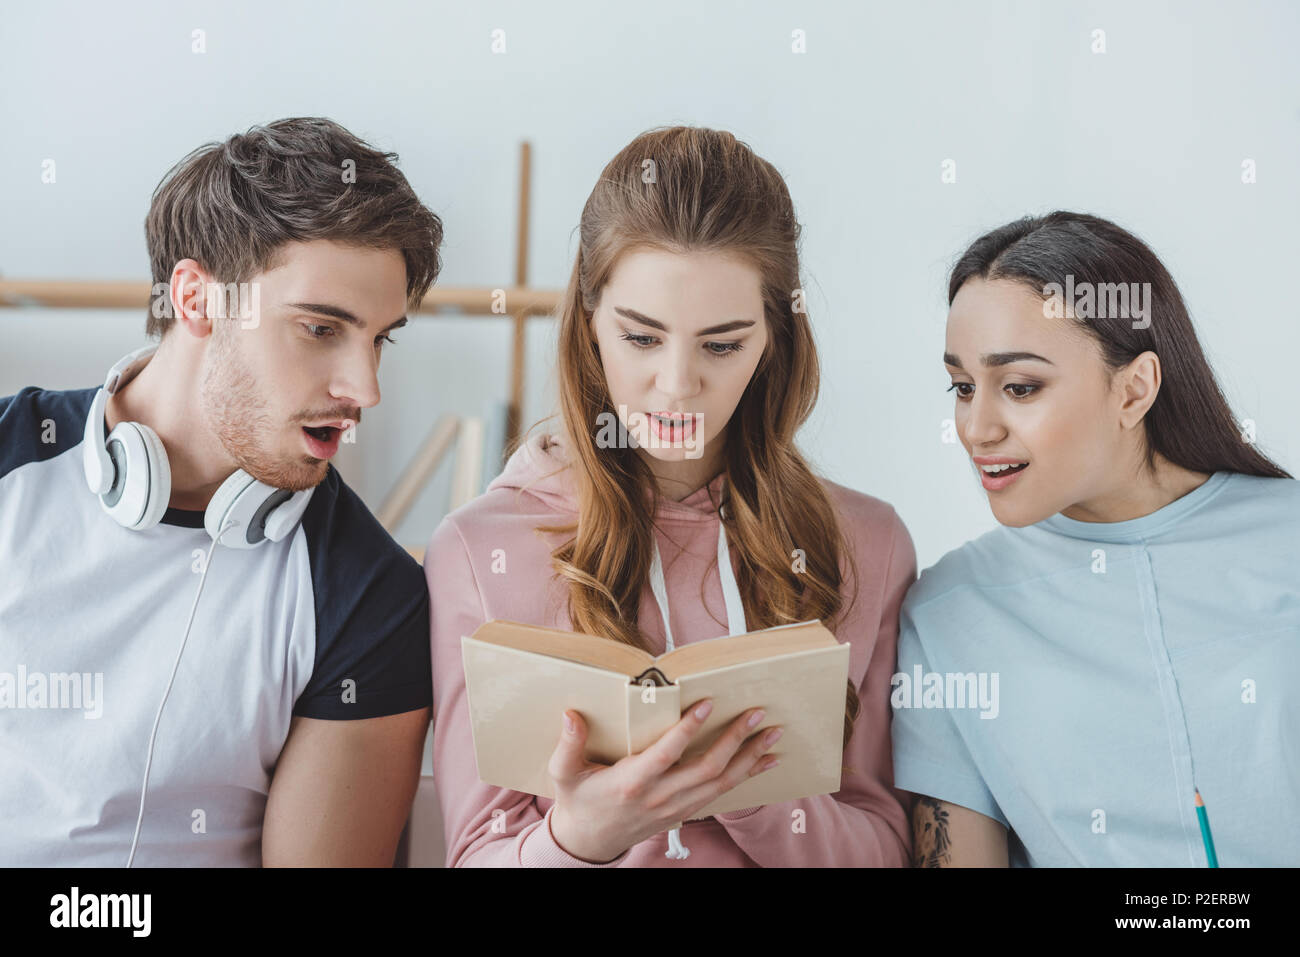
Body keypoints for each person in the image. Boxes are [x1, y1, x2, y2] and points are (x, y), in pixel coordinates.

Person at [426, 126, 916, 867]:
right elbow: (472, 853)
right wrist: (578, 838)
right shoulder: (476, 547)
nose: (679, 384)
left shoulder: (867, 540)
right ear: (590, 322)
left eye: (722, 344)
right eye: (641, 338)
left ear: (774, 339)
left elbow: (884, 846)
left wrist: (753, 791)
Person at [0, 117, 443, 866]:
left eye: (379, 339)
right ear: (196, 299)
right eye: (320, 328)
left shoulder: (372, 596)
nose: (364, 388)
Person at [891, 211, 1299, 867]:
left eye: (1019, 386)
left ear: (1134, 389)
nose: (976, 427)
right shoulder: (949, 615)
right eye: (963, 387)